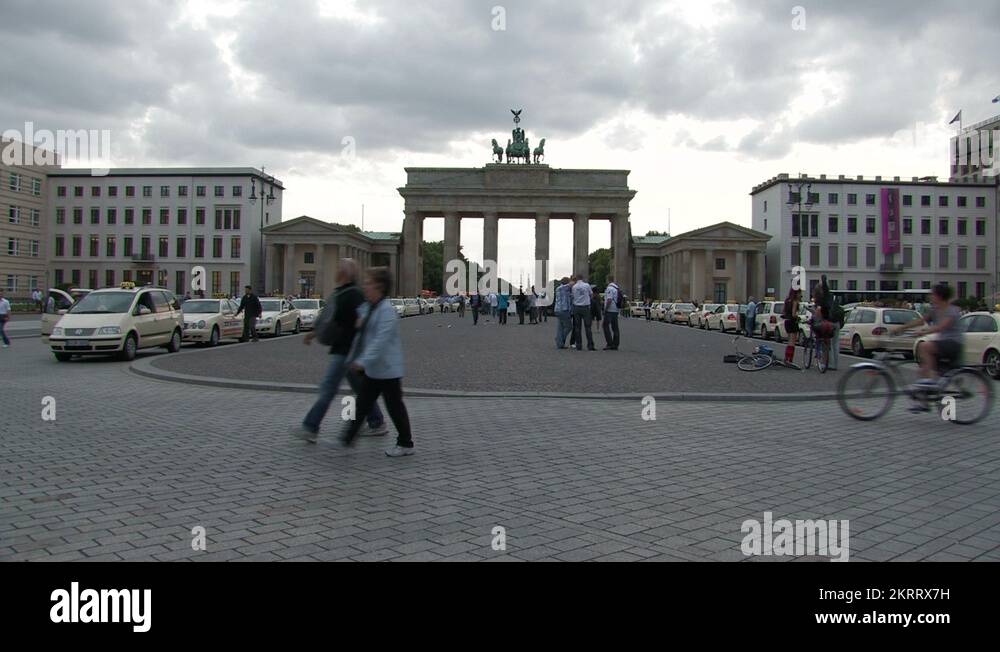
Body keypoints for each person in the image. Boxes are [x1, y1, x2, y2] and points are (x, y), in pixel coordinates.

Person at [294, 259, 387, 442]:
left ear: (344, 273)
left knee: (328, 388)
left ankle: (310, 427)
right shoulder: (344, 292)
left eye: (338, 268)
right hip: (346, 349)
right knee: (360, 389)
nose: (335, 270)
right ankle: (376, 422)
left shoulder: (352, 294)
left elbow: (364, 318)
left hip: (347, 350)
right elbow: (334, 320)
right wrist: (313, 333)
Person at [340, 267, 415, 457]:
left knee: (394, 407)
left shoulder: (387, 311)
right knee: (363, 404)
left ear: (379, 286)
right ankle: (345, 440)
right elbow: (362, 334)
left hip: (387, 369)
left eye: (368, 283)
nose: (364, 286)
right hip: (375, 369)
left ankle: (406, 444)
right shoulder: (371, 307)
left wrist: (362, 361)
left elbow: (379, 341)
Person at [893, 284, 963, 389]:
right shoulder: (935, 309)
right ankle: (927, 395)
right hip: (943, 343)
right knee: (923, 370)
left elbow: (941, 327)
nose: (930, 296)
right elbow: (921, 321)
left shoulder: (952, 310)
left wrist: (924, 332)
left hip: (954, 343)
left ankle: (933, 380)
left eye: (932, 294)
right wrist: (902, 328)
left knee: (924, 346)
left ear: (939, 296)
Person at [572, 273, 595, 351]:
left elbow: (573, 296)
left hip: (576, 307)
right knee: (588, 327)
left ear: (577, 278)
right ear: (582, 278)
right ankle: (590, 345)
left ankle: (579, 345)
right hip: (585, 307)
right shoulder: (587, 285)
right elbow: (591, 295)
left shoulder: (574, 287)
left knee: (577, 327)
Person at [782, 287, 802, 365]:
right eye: (799, 293)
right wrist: (798, 317)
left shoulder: (787, 300)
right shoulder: (795, 301)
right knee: (792, 342)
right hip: (793, 322)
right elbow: (794, 314)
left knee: (789, 341)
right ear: (796, 293)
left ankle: (786, 357)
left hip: (787, 321)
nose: (800, 295)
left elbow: (783, 312)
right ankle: (790, 359)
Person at [603, 276, 621, 350]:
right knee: (615, 327)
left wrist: (605, 309)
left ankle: (609, 343)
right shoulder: (617, 288)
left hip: (610, 310)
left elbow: (609, 300)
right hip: (616, 310)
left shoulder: (609, 288)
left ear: (608, 280)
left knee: (605, 326)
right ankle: (615, 344)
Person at [554, 277, 572, 349]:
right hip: (563, 310)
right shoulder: (562, 288)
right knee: (569, 327)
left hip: (558, 309)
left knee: (560, 327)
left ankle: (560, 344)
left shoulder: (560, 289)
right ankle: (559, 339)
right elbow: (571, 284)